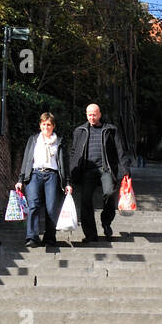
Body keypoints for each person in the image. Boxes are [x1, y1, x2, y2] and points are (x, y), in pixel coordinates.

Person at [69, 103, 131, 243]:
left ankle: (106, 221)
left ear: (100, 114)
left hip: (105, 169)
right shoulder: (80, 131)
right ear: (86, 114)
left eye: (94, 114)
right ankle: (90, 234)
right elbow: (74, 153)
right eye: (89, 115)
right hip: (87, 170)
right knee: (85, 200)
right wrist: (71, 173)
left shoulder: (110, 130)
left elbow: (120, 151)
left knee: (109, 193)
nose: (92, 117)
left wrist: (125, 171)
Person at [15, 112, 72, 246]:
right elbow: (26, 160)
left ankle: (50, 238)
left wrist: (68, 182)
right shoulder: (34, 140)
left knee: (51, 207)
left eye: (49, 124)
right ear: (40, 125)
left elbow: (65, 163)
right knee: (33, 204)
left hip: (52, 175)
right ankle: (32, 237)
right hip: (35, 174)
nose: (46, 127)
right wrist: (20, 179)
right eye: (43, 124)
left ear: (53, 126)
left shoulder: (59, 142)